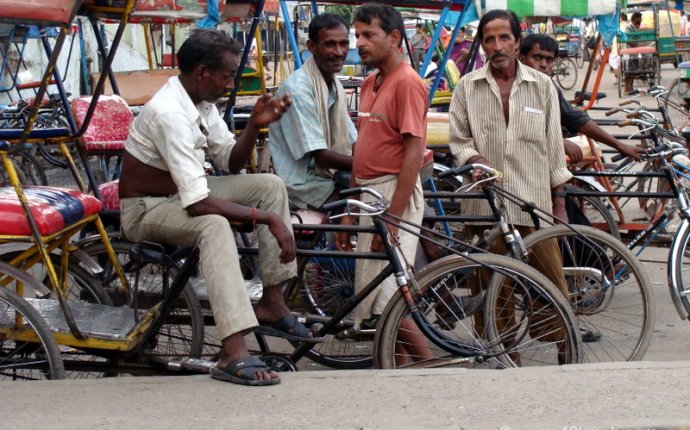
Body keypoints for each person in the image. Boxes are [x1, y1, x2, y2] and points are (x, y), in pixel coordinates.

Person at [118, 29, 316, 386]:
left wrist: (254, 126)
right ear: (202, 72)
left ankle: (273, 302)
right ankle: (232, 349)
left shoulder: (201, 103)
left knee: (269, 185)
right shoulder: (170, 113)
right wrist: (267, 219)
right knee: (213, 225)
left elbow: (231, 160)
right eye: (226, 76)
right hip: (147, 208)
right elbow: (198, 203)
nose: (229, 83)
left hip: (181, 193)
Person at [448, 9, 573, 342]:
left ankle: (565, 351)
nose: (497, 45)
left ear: (517, 42)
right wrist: (475, 158)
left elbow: (554, 148)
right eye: (489, 39)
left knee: (551, 285)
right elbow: (459, 141)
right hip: (484, 206)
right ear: (483, 46)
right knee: (492, 290)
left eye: (504, 37)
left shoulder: (542, 86)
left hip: (533, 203)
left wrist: (559, 205)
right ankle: (504, 353)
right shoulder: (466, 87)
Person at [334, 4, 428, 344]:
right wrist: (350, 209)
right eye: (357, 35)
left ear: (393, 38)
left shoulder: (408, 83)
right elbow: (363, 150)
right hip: (370, 197)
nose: (359, 43)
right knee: (377, 299)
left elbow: (414, 153)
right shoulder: (372, 81)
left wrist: (394, 216)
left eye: (368, 35)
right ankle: (398, 371)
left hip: (393, 195)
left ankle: (430, 368)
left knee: (391, 298)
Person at [269, 13, 357, 210]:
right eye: (330, 44)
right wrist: (371, 165)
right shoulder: (298, 89)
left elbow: (353, 138)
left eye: (344, 44)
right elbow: (321, 156)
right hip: (303, 182)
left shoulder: (334, 85)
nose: (339, 51)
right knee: (369, 207)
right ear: (312, 47)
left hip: (327, 174)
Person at [518, 33, 646, 163]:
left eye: (549, 60)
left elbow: (575, 118)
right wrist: (560, 142)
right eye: (537, 57)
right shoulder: (510, 88)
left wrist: (620, 145)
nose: (543, 65)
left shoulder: (549, 88)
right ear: (521, 59)